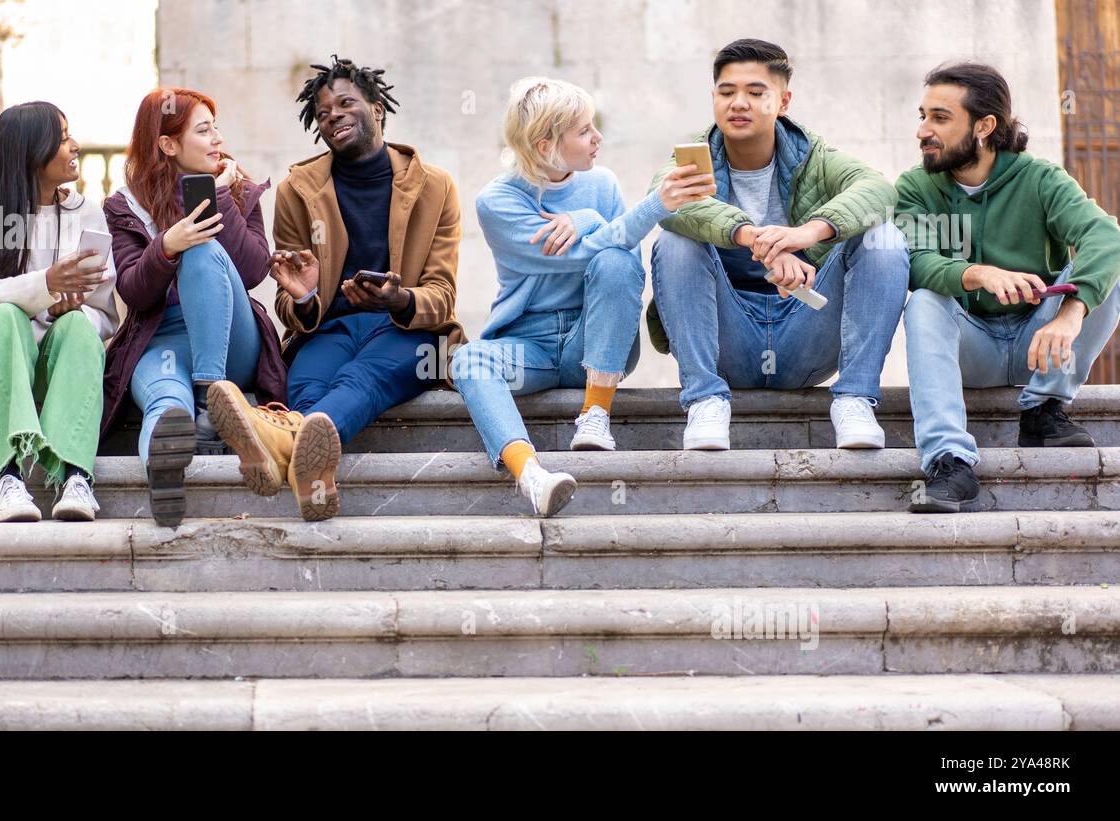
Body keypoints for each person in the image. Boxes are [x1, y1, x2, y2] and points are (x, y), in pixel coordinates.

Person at [207, 55, 463, 522]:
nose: (333, 116)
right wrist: (303, 296)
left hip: (411, 334)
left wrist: (398, 298)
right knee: (306, 386)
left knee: (357, 381)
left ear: (377, 109)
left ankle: (278, 442)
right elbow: (289, 301)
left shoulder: (435, 187)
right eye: (323, 114)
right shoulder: (297, 190)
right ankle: (314, 484)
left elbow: (442, 294)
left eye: (346, 104)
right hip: (329, 328)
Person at [452, 77, 711, 516]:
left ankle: (595, 414)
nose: (598, 138)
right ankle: (530, 475)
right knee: (467, 359)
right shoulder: (496, 201)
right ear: (544, 144)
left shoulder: (602, 184)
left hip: (592, 343)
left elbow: (618, 259)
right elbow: (576, 255)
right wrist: (651, 205)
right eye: (584, 131)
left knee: (618, 262)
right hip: (527, 346)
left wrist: (585, 215)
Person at [648, 39, 909, 451]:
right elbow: (667, 204)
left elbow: (878, 190)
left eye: (756, 93)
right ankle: (704, 400)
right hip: (728, 338)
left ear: (782, 101)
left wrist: (806, 234)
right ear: (713, 98)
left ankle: (856, 398)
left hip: (806, 327)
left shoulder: (815, 157)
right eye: (727, 91)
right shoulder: (694, 159)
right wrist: (758, 239)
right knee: (674, 240)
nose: (739, 103)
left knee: (884, 238)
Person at [899, 62, 1120, 513]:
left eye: (940, 118)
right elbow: (917, 263)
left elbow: (1105, 235)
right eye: (922, 116)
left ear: (984, 126)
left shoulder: (1040, 179)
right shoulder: (915, 187)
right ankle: (950, 461)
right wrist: (978, 273)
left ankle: (1042, 412)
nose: (924, 130)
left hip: (1039, 345)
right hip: (971, 346)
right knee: (923, 301)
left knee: (1110, 266)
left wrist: (1070, 312)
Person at [102, 88, 286, 527]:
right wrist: (166, 246)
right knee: (167, 404)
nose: (217, 139)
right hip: (159, 339)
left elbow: (255, 269)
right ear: (167, 144)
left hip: (228, 341)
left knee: (202, 252)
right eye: (204, 130)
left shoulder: (238, 190)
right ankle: (162, 474)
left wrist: (219, 199)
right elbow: (133, 291)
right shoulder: (125, 206)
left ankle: (210, 398)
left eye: (216, 127)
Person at [0, 101, 118, 523]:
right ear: (31, 151)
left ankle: (75, 475)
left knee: (80, 325)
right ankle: (9, 477)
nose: (74, 145)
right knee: (4, 315)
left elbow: (106, 316)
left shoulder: (86, 213)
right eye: (62, 138)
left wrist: (70, 310)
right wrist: (46, 285)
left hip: (54, 363)